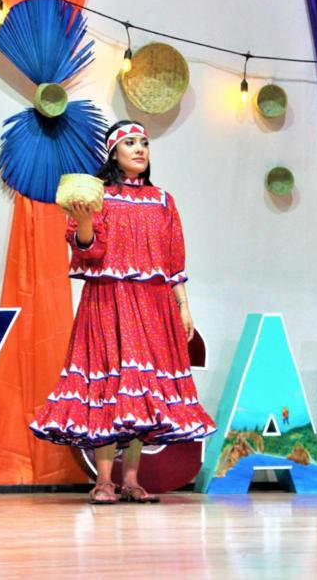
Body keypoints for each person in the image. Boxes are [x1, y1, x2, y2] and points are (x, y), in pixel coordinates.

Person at [30, 120, 217, 504]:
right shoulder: (99, 197)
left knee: (142, 392)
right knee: (110, 385)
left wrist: (184, 308)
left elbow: (174, 262)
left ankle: (131, 479)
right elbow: (88, 251)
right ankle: (103, 480)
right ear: (113, 152)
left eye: (144, 143)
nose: (139, 149)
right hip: (108, 302)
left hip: (153, 306)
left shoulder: (163, 201)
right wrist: (84, 220)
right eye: (130, 143)